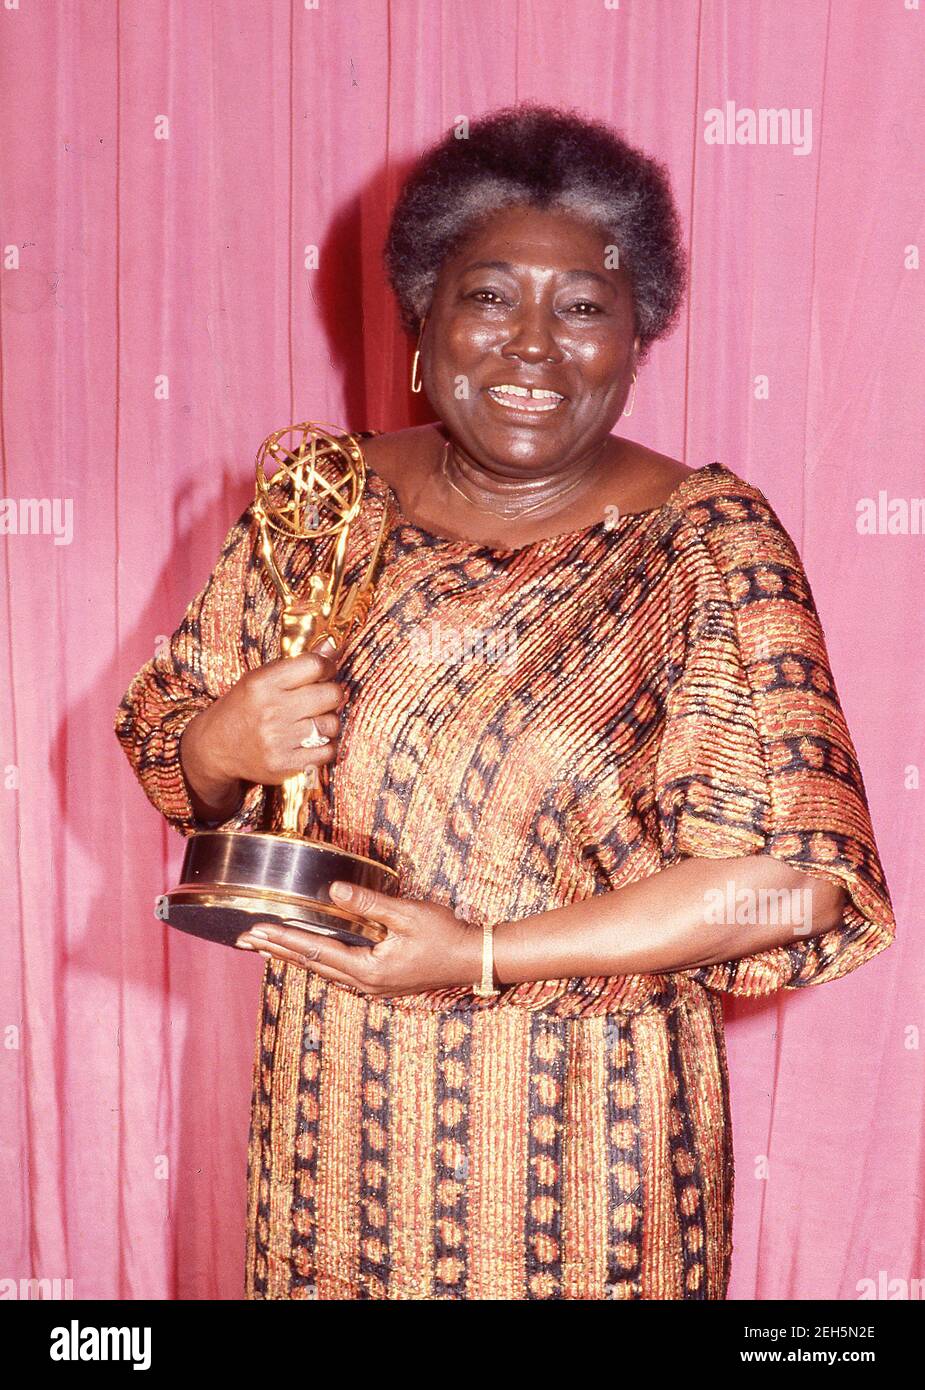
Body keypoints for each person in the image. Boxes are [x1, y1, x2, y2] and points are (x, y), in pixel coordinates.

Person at [114, 104, 895, 1300]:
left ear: (637, 340)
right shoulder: (324, 500)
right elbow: (181, 751)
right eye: (489, 298)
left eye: (583, 307)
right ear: (422, 323)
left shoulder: (706, 546)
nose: (533, 346)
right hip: (333, 1133)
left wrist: (479, 954)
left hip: (594, 1157)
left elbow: (793, 879)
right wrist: (220, 738)